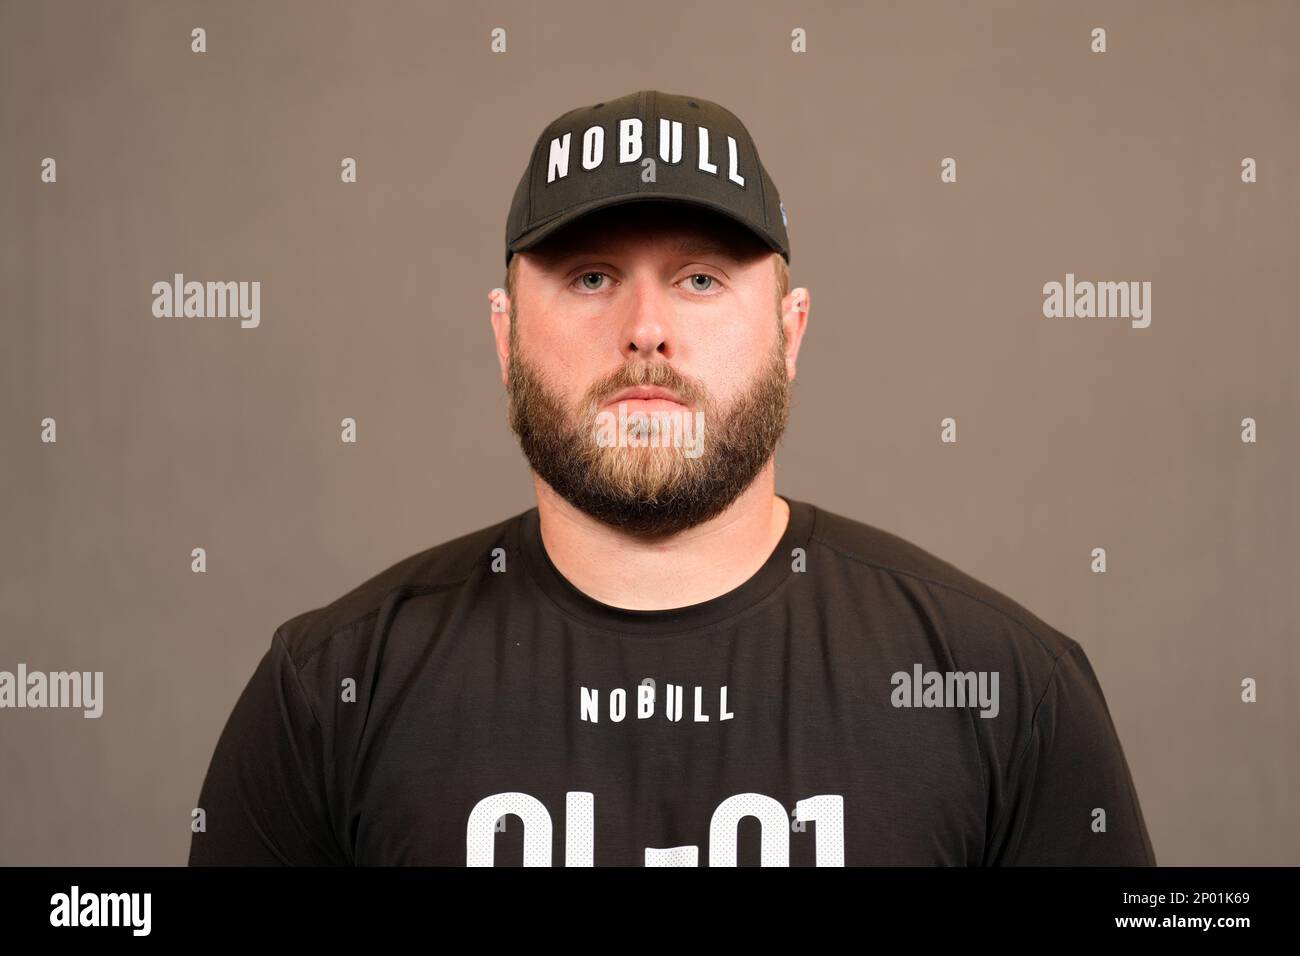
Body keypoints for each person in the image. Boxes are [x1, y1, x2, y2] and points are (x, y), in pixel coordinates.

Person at [189, 90, 1156, 866]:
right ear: (504, 333)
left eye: (700, 278)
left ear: (789, 333)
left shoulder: (1001, 690)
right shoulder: (330, 694)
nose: (646, 329)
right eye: (591, 277)